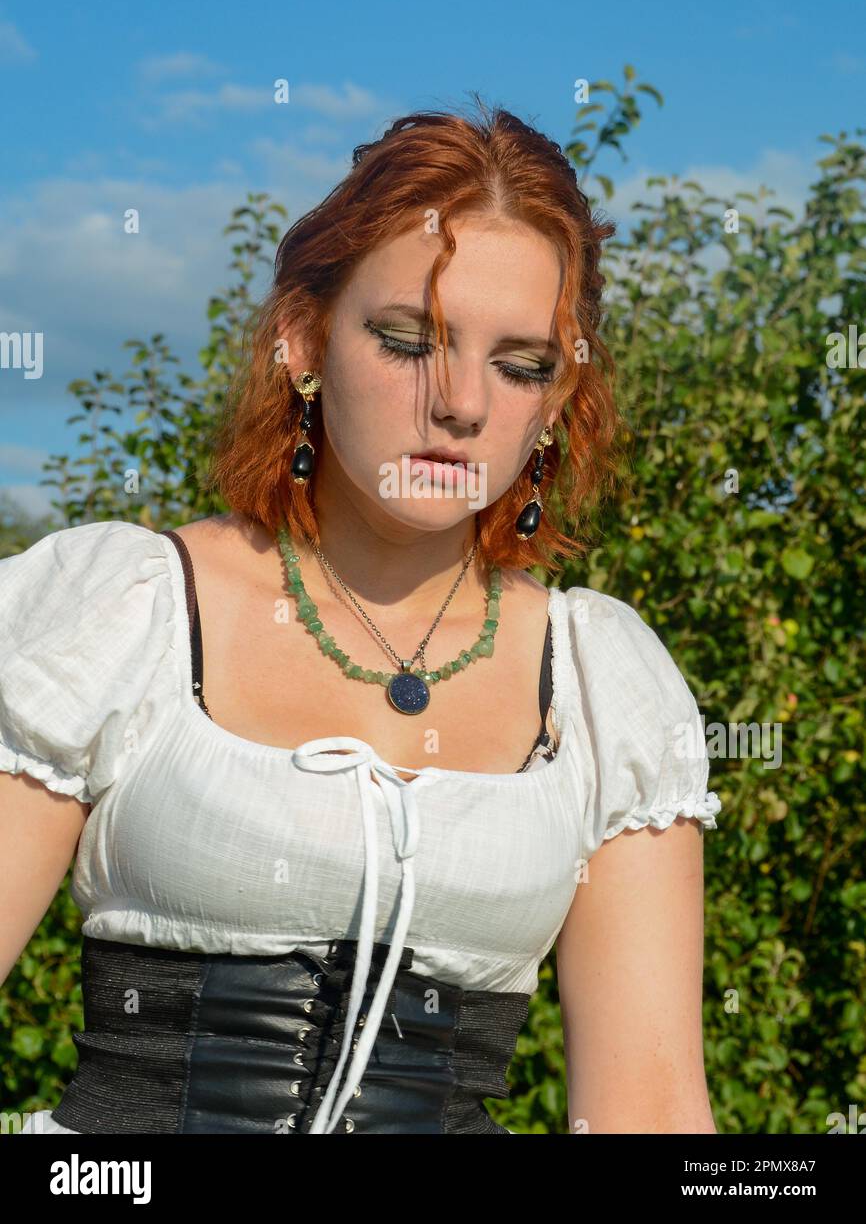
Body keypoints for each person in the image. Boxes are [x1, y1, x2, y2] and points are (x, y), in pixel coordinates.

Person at [0, 100, 721, 1135]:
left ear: (554, 400)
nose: (462, 402)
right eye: (406, 338)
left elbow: (648, 1109)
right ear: (301, 339)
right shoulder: (124, 611)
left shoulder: (603, 685)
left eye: (519, 363)